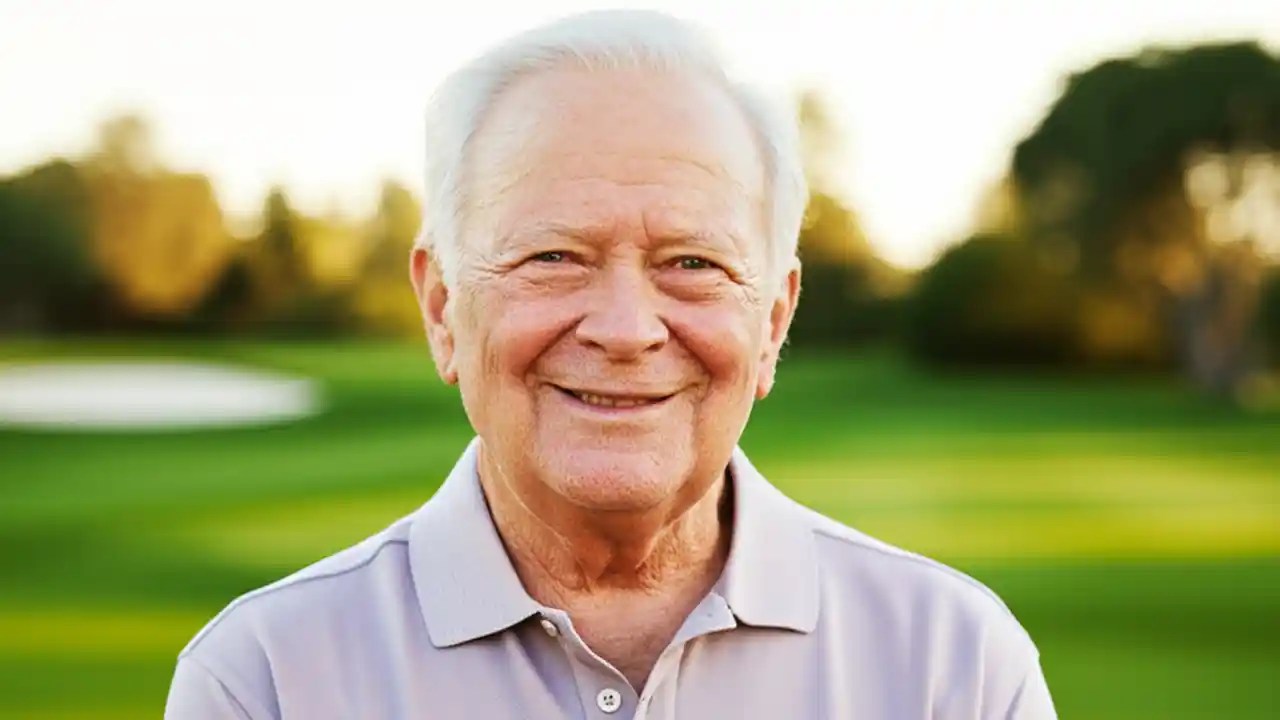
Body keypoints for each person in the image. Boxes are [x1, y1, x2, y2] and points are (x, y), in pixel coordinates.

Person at [165, 10, 1056, 719]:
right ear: (442, 307)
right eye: (552, 257)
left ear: (774, 320)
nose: (627, 329)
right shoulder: (265, 681)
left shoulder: (955, 666)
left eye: (693, 264)